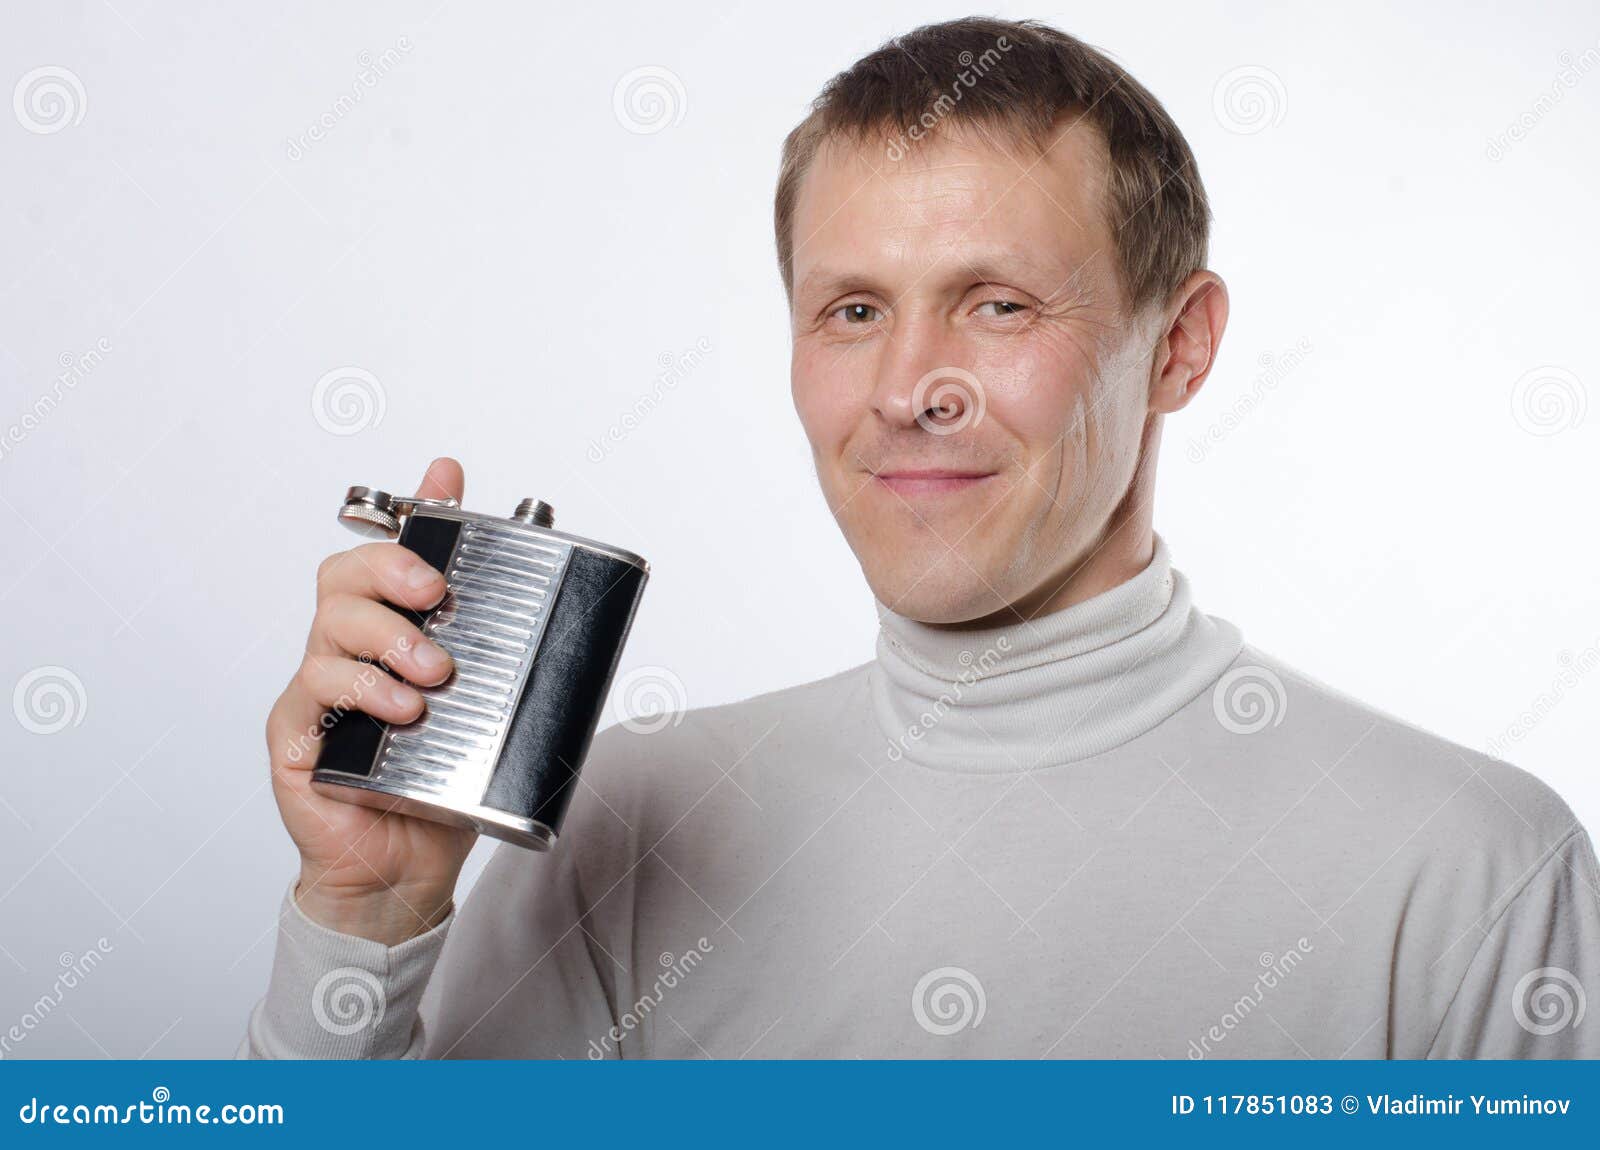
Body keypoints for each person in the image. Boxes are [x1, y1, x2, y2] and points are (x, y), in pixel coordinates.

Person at [240, 17, 1600, 1059]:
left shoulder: (1474, 868)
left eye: (996, 305)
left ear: (1178, 347)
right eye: (851, 311)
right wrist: (363, 919)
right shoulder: (627, 821)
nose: (907, 387)